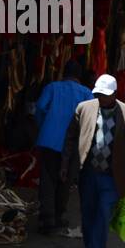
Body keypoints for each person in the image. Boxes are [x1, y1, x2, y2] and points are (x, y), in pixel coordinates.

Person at [62, 74, 125, 248]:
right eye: (98, 94)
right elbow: (70, 138)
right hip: (88, 174)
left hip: (111, 179)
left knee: (102, 217)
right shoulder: (84, 108)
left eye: (105, 95)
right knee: (87, 216)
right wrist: (66, 165)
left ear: (115, 94)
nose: (101, 98)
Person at [33, 59, 93, 235]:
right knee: (65, 180)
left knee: (48, 179)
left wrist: (45, 127)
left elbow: (40, 107)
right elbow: (90, 119)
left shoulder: (52, 87)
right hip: (72, 144)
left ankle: (47, 218)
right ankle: (58, 216)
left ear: (64, 73)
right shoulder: (86, 93)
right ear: (79, 77)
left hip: (49, 140)